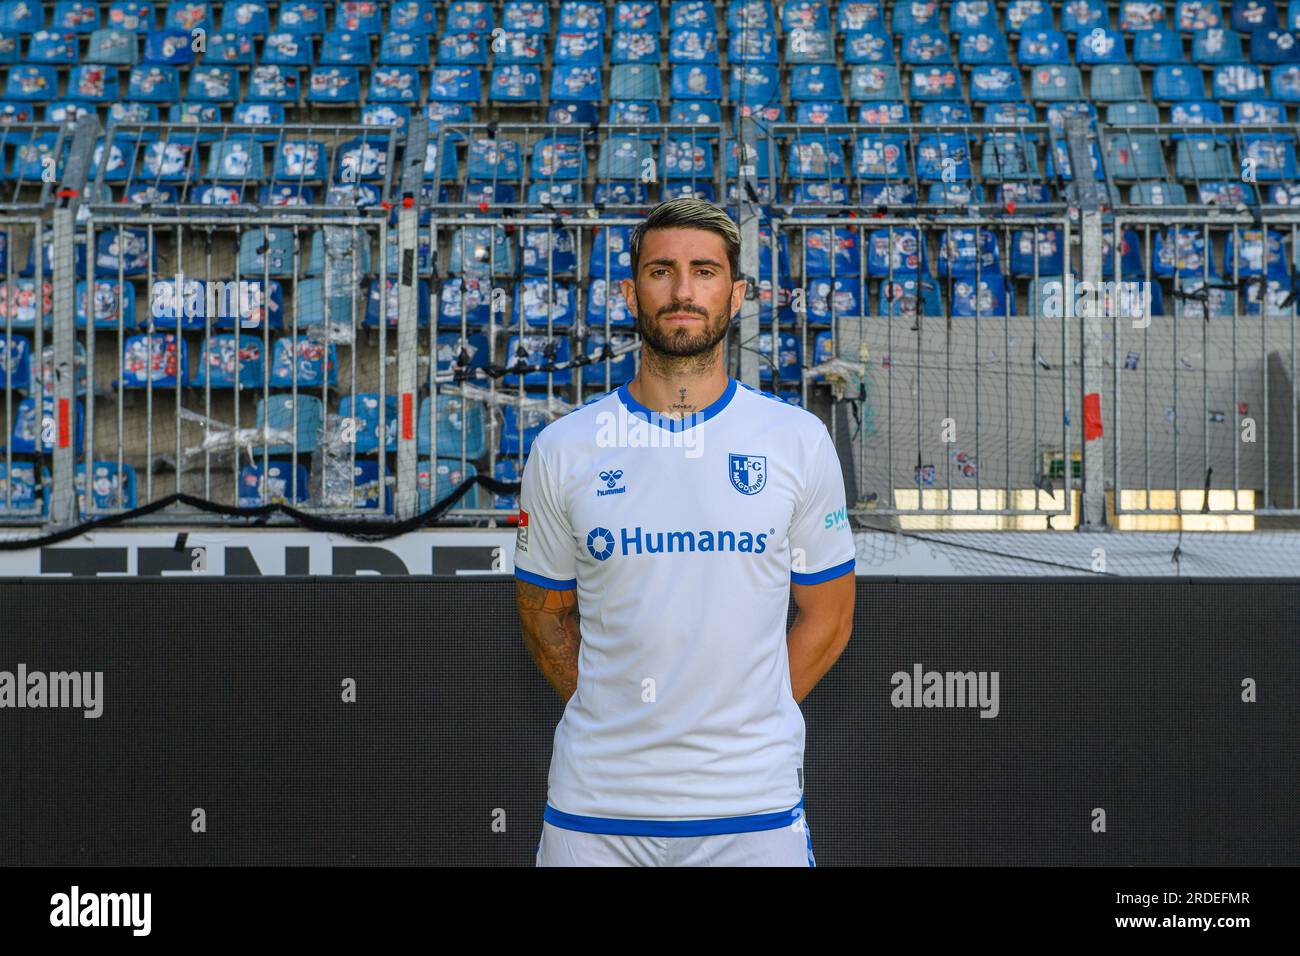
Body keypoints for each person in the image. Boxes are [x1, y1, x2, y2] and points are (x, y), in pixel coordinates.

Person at [515, 196, 856, 866]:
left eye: (704, 271)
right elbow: (543, 618)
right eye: (660, 270)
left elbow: (830, 618)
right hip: (595, 812)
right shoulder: (565, 448)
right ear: (630, 290)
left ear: (736, 295)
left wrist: (739, 724)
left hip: (753, 813)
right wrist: (628, 717)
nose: (681, 290)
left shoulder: (796, 442)